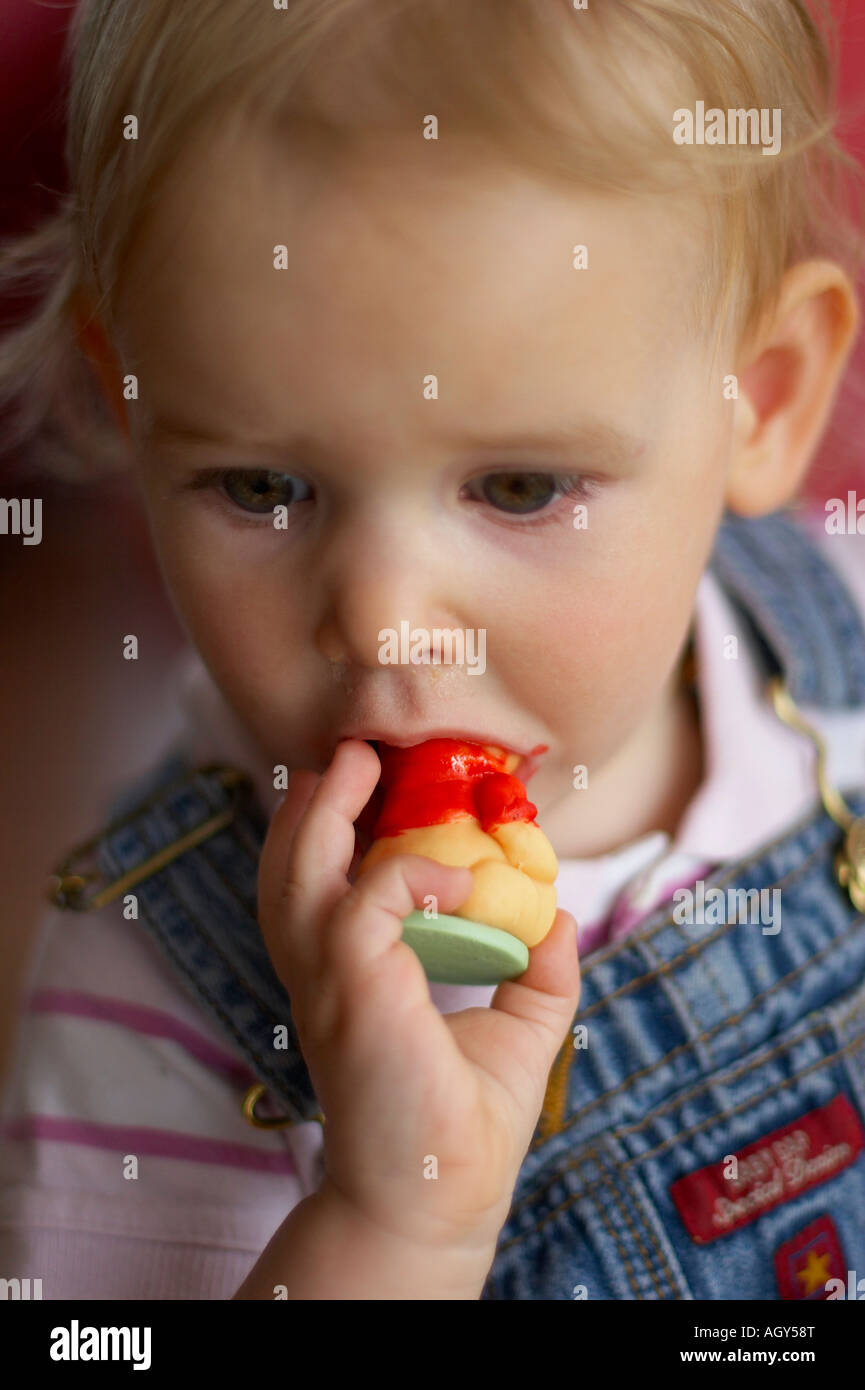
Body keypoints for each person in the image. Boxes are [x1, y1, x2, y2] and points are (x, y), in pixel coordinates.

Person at [1, 0, 864, 1301]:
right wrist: (391, 1224)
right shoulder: (154, 980)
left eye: (517, 487)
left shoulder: (842, 633)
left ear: (765, 399)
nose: (383, 622)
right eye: (260, 487)